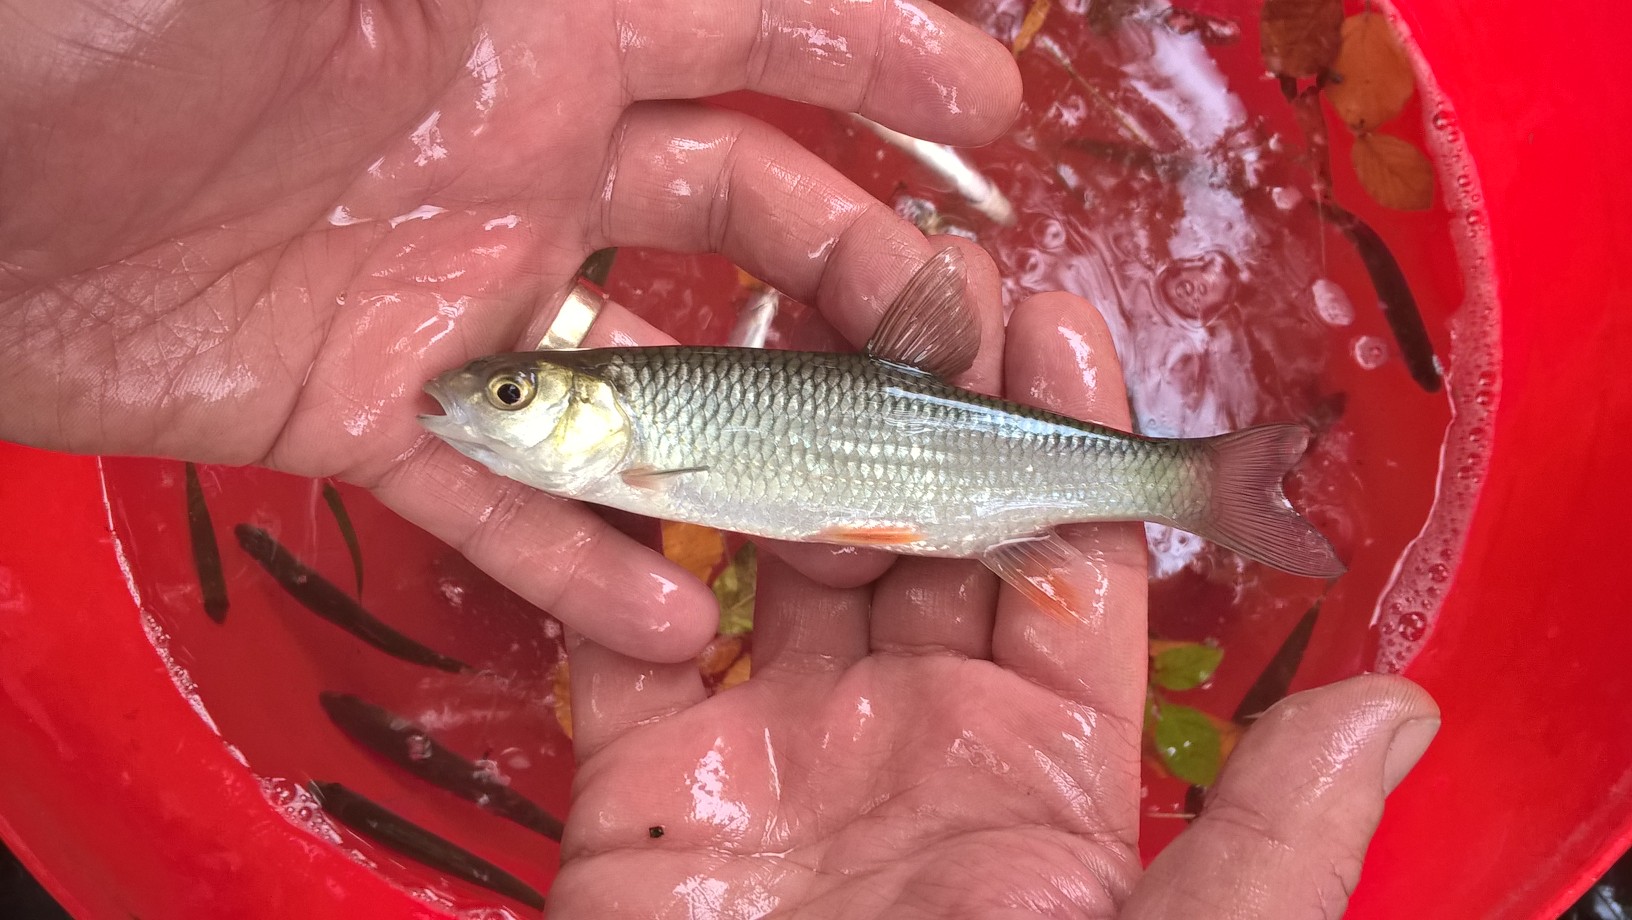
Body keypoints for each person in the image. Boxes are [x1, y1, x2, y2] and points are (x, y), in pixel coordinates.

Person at [0, 0, 1437, 916]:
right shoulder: (610, 438)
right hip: (953, 477)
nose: (472, 402)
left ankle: (1205, 474)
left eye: (508, 393)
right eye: (512, 391)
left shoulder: (636, 441)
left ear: (587, 412)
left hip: (953, 463)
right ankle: (1202, 477)